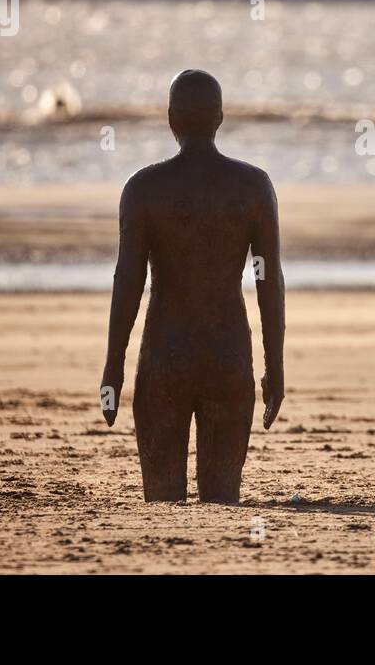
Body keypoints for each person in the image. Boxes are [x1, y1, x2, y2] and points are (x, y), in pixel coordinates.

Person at [100, 69, 285, 503]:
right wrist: (272, 366)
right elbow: (267, 280)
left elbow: (128, 281)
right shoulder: (253, 187)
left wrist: (113, 366)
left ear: (170, 119)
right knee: (223, 497)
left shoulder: (144, 189)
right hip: (228, 356)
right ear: (220, 117)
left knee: (162, 499)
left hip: (165, 357)